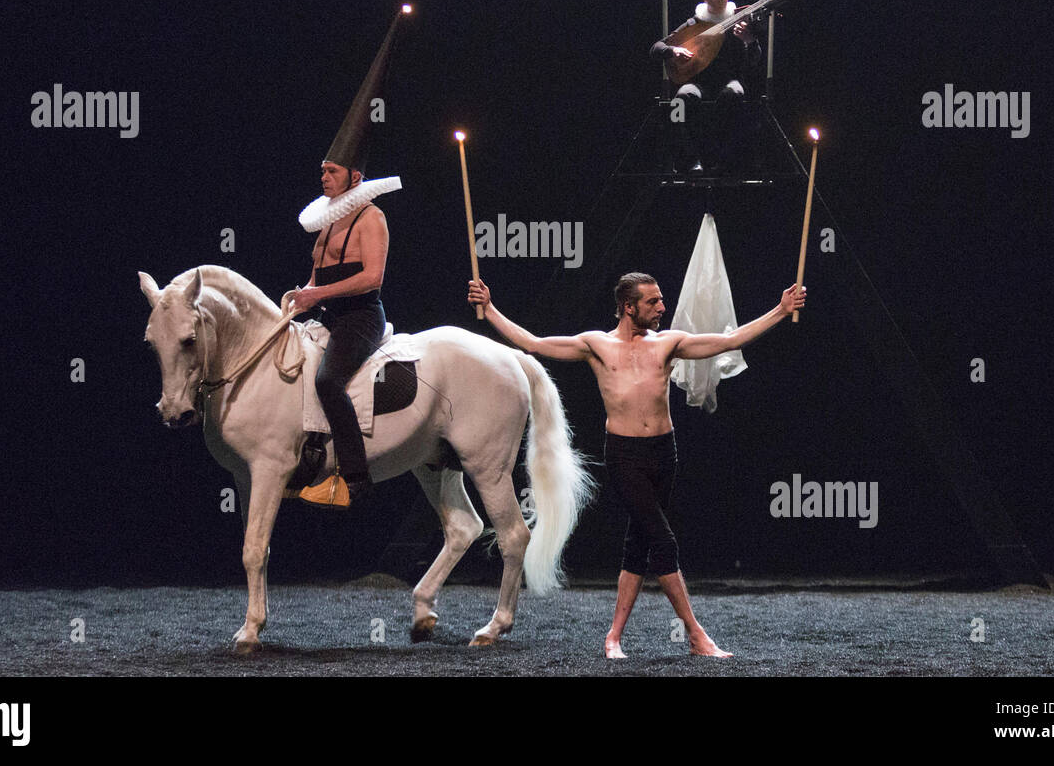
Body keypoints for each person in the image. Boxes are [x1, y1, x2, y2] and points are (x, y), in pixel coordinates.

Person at [467, 272, 806, 658]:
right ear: (629, 307)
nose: (662, 307)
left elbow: (727, 341)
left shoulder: (668, 343)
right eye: (652, 302)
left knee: (638, 545)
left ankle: (613, 637)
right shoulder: (597, 345)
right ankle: (696, 634)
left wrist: (780, 311)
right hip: (624, 456)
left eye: (661, 300)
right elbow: (535, 344)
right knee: (663, 541)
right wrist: (490, 310)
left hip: (664, 453)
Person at [292, 159, 389, 508]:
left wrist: (315, 295)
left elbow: (372, 277)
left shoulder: (371, 217)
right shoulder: (327, 220)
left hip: (361, 319)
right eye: (321, 171)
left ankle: (355, 476)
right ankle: (308, 456)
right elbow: (317, 281)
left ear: (356, 176)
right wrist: (298, 300)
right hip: (327, 317)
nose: (324, 177)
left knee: (328, 381)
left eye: (332, 171)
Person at [651, 0, 765, 173]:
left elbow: (754, 62)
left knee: (734, 93)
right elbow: (656, 48)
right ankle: (688, 160)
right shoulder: (695, 24)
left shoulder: (737, 23)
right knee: (681, 99)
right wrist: (673, 50)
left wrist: (750, 41)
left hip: (729, 81)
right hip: (698, 83)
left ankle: (721, 159)